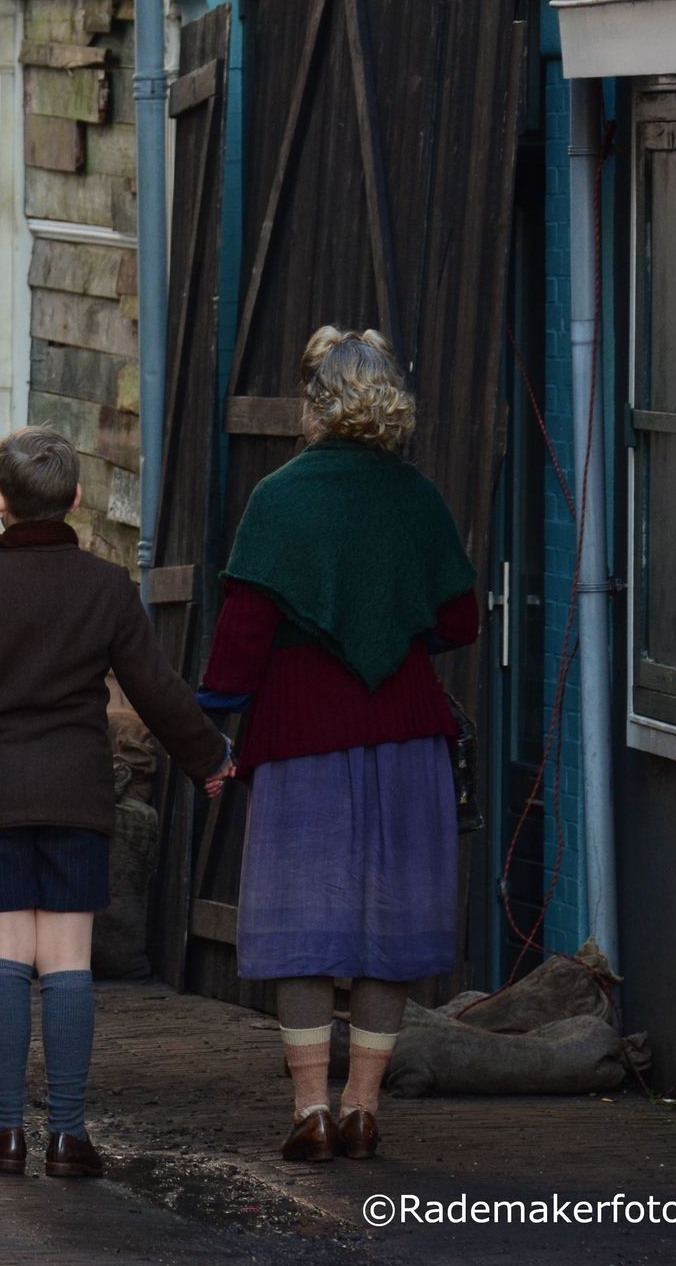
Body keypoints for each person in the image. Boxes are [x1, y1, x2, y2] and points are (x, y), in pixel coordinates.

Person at [0, 426, 233, 1180]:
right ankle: (68, 1136)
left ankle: (2, 1132)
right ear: (77, 500)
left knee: (3, 958)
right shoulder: (106, 589)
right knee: (67, 962)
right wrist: (210, 759)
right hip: (77, 798)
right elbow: (156, 690)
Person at [198, 326, 479, 1163]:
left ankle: (310, 1109)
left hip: (300, 740)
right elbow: (459, 618)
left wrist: (213, 718)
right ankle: (364, 1109)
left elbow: (241, 640)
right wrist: (388, 618)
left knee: (304, 927)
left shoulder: (279, 498)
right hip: (404, 738)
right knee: (388, 929)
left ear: (314, 400)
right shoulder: (416, 496)